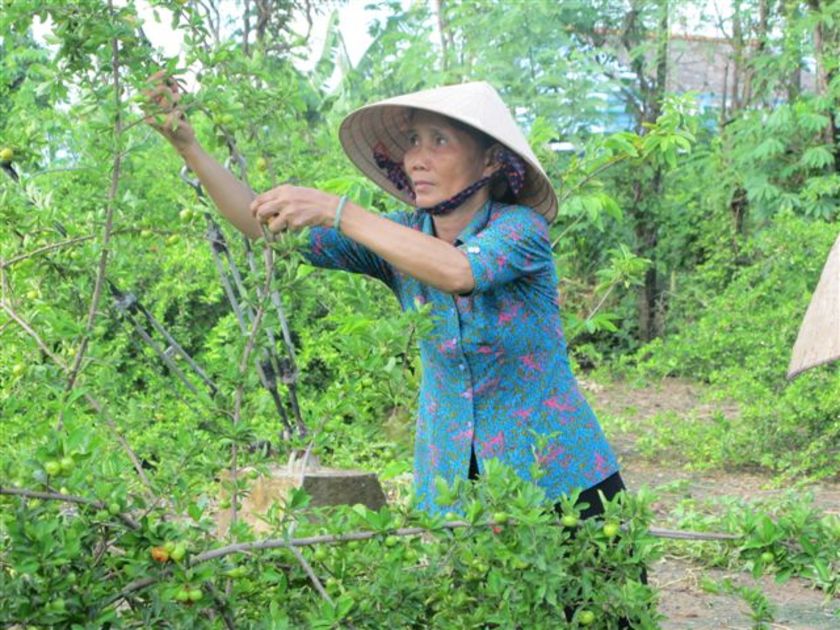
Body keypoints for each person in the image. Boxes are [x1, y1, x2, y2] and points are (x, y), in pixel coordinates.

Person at [145, 77, 627, 521]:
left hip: (562, 483)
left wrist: (339, 211)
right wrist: (188, 146)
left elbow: (459, 271)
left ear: (490, 161)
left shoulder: (521, 229)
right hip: (454, 488)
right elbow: (262, 228)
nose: (417, 157)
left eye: (440, 141)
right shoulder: (398, 238)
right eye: (414, 141)